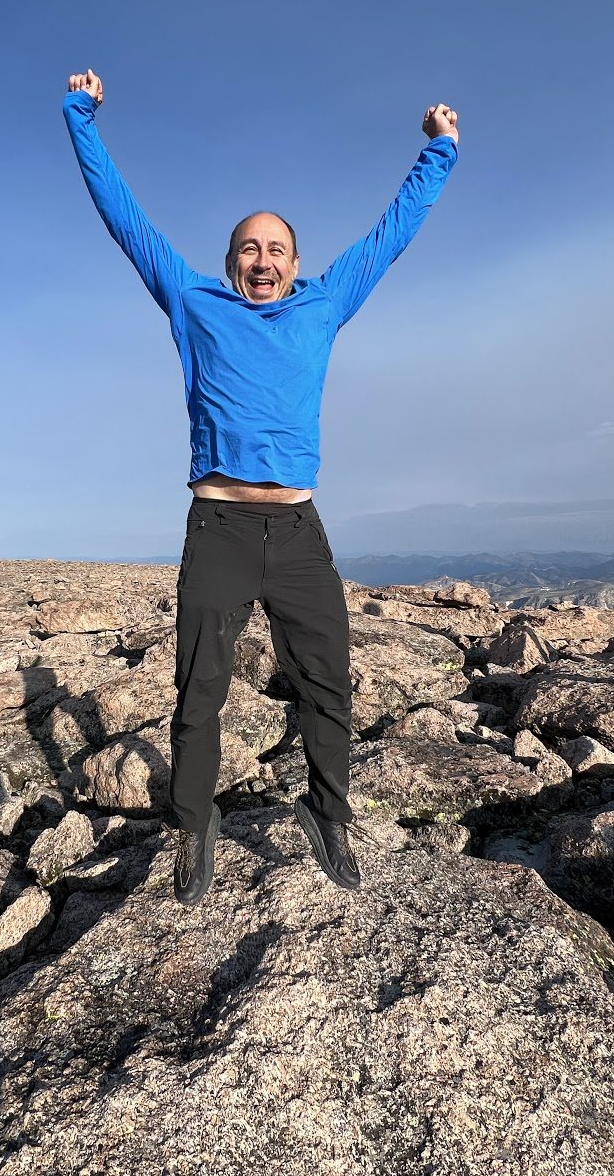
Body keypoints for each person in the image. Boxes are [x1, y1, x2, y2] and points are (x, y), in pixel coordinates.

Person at [63, 68, 459, 905]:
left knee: (328, 682)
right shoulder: (192, 299)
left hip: (301, 532)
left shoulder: (324, 302)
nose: (264, 259)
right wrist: (83, 118)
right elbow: (122, 217)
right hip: (220, 528)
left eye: (278, 249)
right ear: (229, 262)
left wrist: (441, 151)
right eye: (251, 247)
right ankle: (194, 825)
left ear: (297, 264)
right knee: (200, 686)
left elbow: (392, 234)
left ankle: (327, 815)